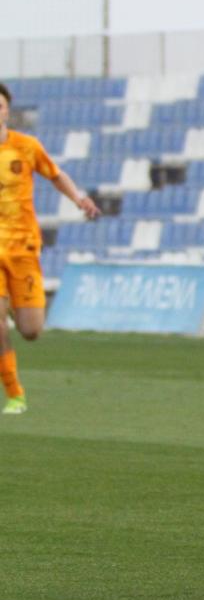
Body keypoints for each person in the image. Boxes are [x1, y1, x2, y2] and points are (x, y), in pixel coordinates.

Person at [0, 83, 101, 415]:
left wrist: (79, 199)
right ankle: (15, 393)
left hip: (24, 248)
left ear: (7, 111)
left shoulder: (27, 147)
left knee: (30, 331)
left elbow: (56, 175)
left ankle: (17, 307)